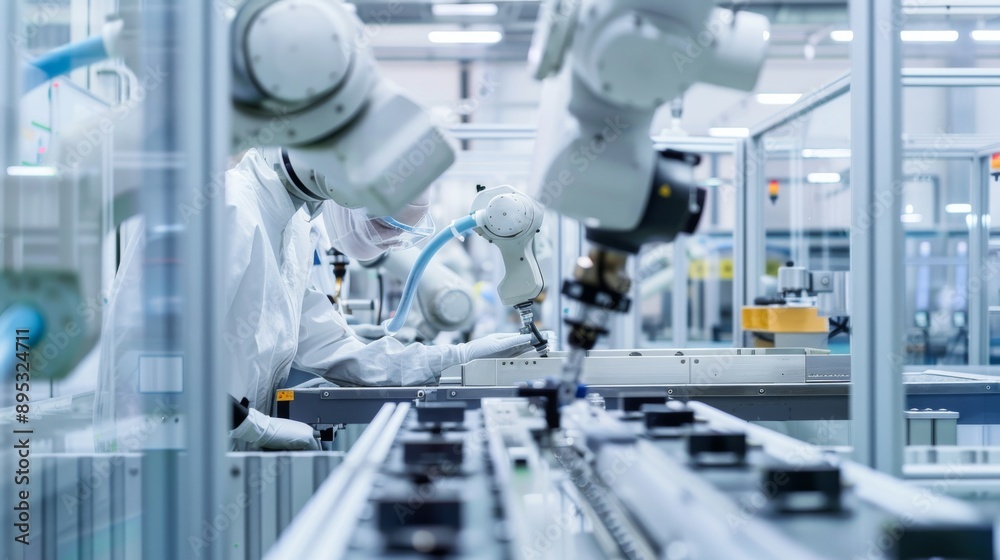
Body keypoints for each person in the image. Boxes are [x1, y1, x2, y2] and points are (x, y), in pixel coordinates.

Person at [95, 148, 541, 451]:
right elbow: (154, 361)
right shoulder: (227, 207)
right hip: (160, 459)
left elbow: (341, 353)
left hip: (221, 458)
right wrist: (252, 425)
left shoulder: (289, 231)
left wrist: (456, 356)